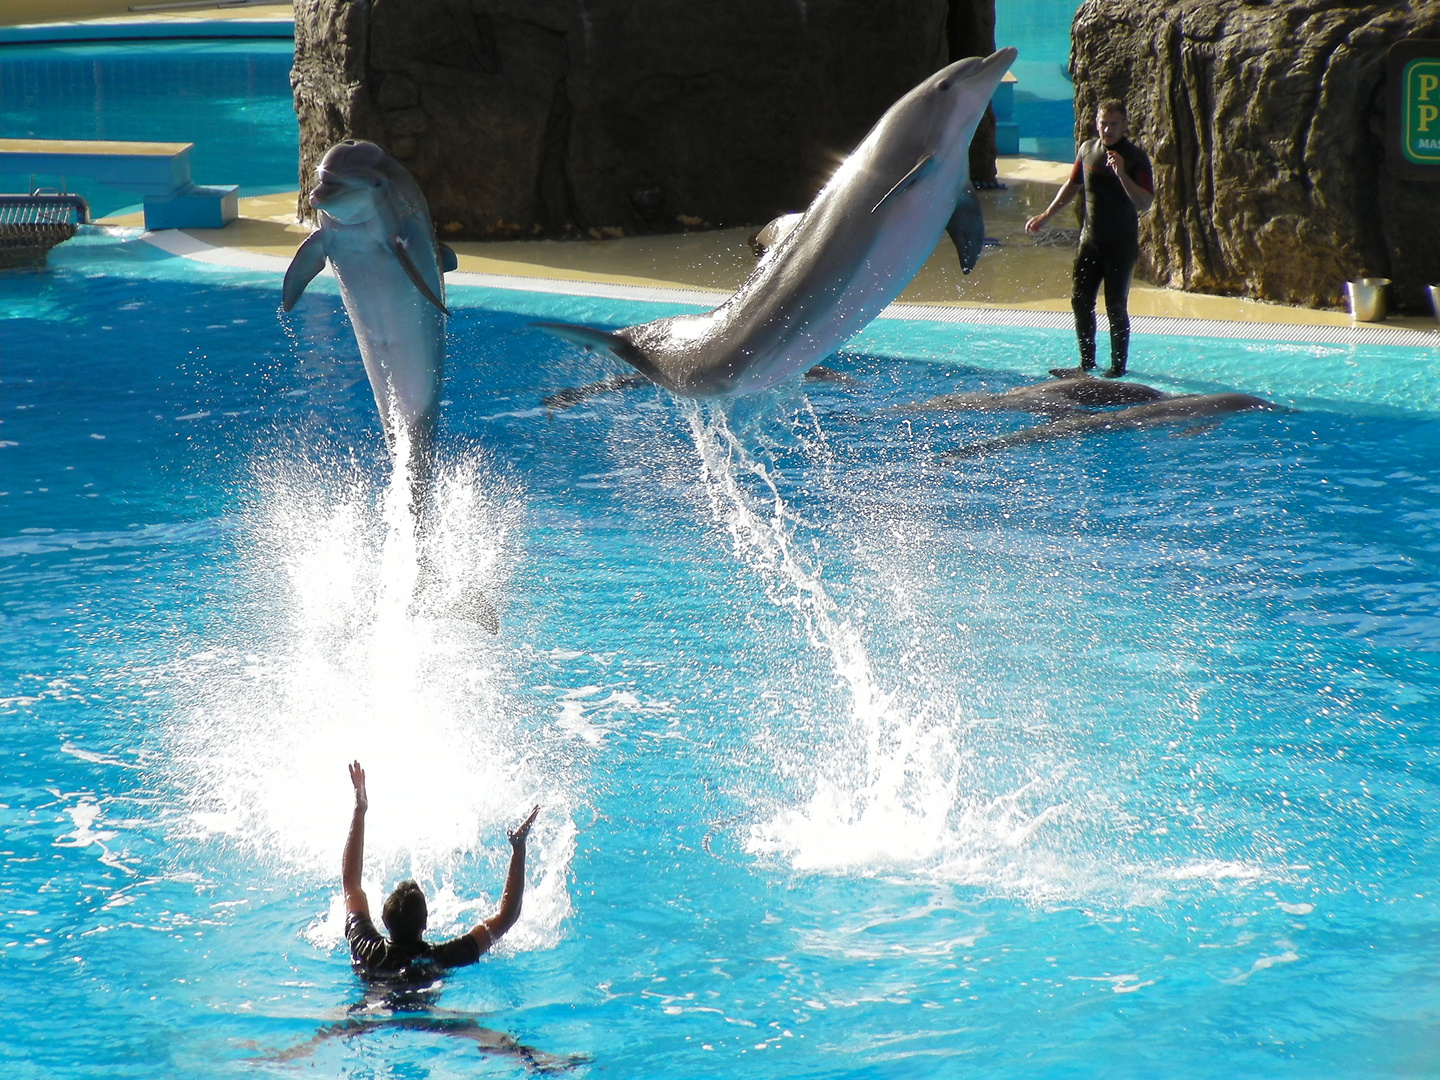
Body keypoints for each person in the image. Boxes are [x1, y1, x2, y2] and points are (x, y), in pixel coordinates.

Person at [342, 760, 539, 981]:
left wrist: (359, 810)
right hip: (427, 1014)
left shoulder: (365, 946)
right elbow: (507, 916)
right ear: (426, 922)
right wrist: (518, 849)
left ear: (385, 920)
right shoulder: (441, 957)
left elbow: (351, 884)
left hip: (372, 1010)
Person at [1026, 98, 1154, 379]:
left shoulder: (1135, 158)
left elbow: (1145, 203)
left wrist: (1121, 173)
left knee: (1115, 306)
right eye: (1102, 123)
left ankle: (1118, 369)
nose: (1106, 130)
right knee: (1080, 301)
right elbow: (1073, 185)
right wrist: (1046, 215)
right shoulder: (1088, 150)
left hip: (1120, 244)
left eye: (1113, 124)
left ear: (1124, 125)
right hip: (1090, 241)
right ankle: (1087, 364)